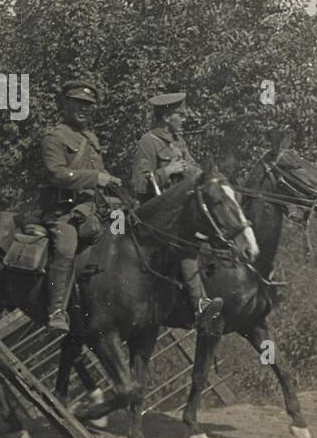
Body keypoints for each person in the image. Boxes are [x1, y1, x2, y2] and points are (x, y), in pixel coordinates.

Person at [129, 91, 224, 332]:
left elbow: (194, 172)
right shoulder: (148, 142)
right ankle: (199, 303)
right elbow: (137, 184)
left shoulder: (178, 142)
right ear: (165, 116)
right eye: (179, 114)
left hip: (179, 214)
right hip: (156, 217)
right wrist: (166, 171)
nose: (184, 118)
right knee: (185, 245)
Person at [39, 80, 120, 332]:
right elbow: (57, 174)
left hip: (91, 209)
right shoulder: (54, 137)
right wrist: (96, 178)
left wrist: (111, 182)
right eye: (78, 103)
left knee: (125, 232)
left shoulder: (90, 139)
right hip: (63, 212)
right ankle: (57, 310)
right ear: (65, 104)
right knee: (66, 247)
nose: (84, 109)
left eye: (88, 105)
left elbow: (98, 172)